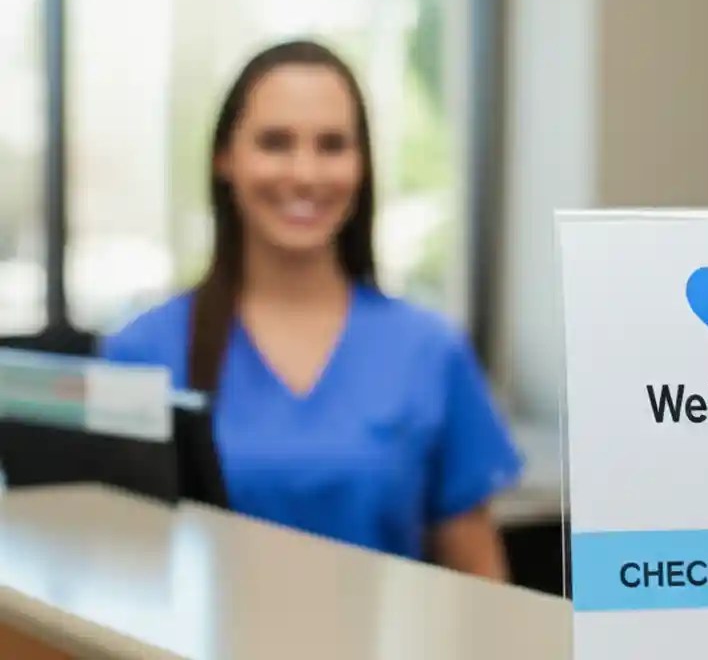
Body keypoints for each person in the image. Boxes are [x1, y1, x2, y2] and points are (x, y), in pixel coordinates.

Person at [101, 40, 521, 579]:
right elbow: (111, 579)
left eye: (332, 145)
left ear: (362, 165)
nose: (305, 173)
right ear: (224, 158)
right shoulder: (142, 352)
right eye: (275, 143)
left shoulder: (430, 352)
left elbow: (481, 585)